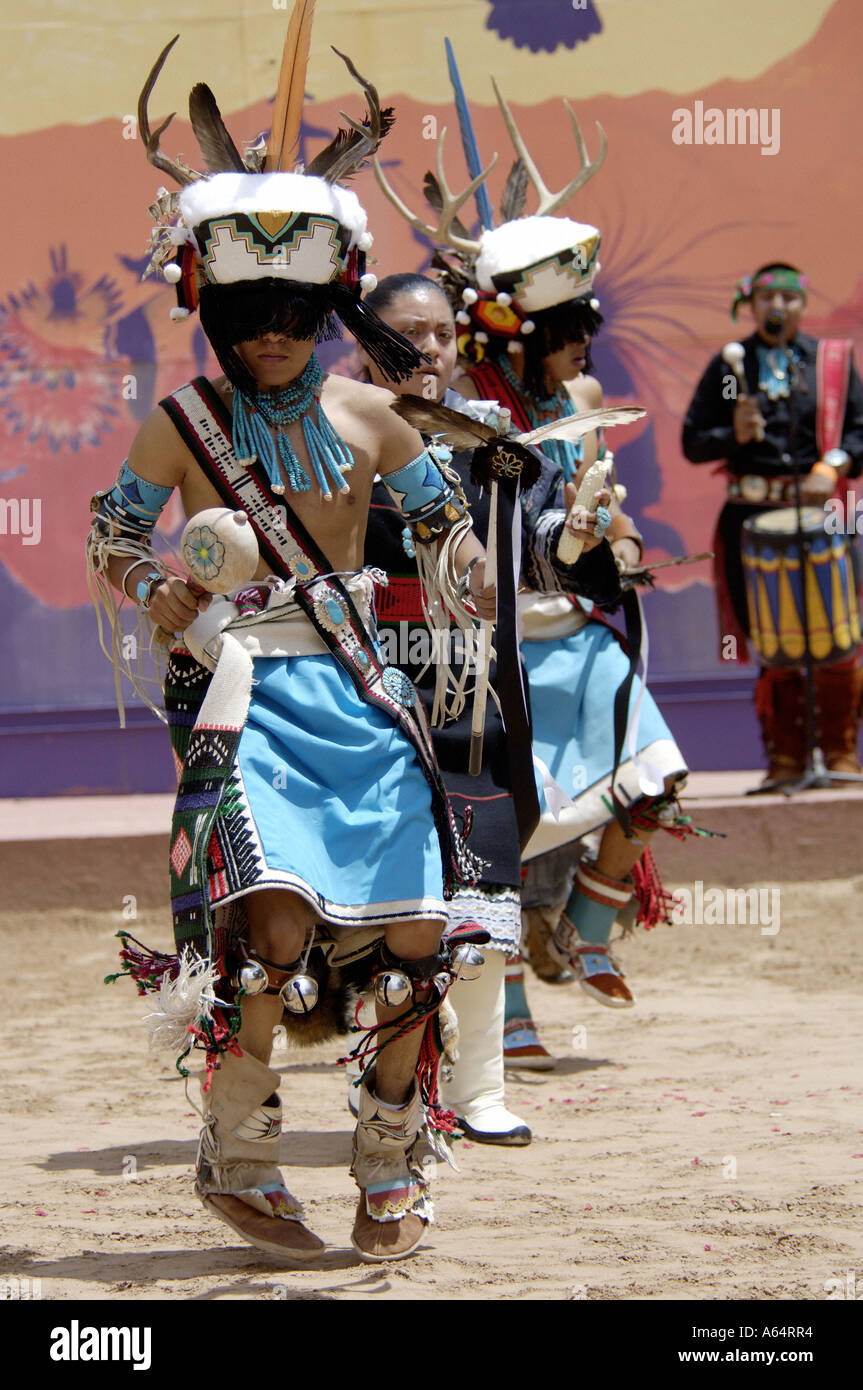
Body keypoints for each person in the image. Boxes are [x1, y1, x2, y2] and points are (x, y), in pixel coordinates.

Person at [87, 33, 496, 1265]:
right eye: (246, 314)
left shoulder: (372, 411)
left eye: (291, 313)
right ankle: (242, 1155)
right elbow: (113, 532)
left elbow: (444, 527)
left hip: (365, 696)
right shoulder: (180, 424)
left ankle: (386, 1163)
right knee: (268, 922)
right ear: (209, 307)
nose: (269, 336)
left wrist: (463, 567)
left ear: (327, 305)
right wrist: (156, 581)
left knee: (419, 927)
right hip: (243, 688)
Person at [354, 272, 621, 1138]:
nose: (427, 350)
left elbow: (533, 551)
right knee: (385, 913)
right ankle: (386, 1085)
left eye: (440, 334)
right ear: (364, 344)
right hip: (365, 695)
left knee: (480, 899)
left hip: (472, 697)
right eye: (406, 334)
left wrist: (576, 530)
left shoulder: (493, 442)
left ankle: (478, 1093)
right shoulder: (328, 435)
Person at [682, 263, 863, 783]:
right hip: (752, 519)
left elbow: (860, 432)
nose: (777, 307)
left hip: (824, 513)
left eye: (787, 297)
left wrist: (832, 465)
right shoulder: (728, 365)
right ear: (751, 303)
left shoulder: (830, 361)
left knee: (839, 635)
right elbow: (694, 442)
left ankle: (840, 751)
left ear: (802, 305)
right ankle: (786, 758)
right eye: (766, 297)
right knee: (773, 637)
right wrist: (733, 436)